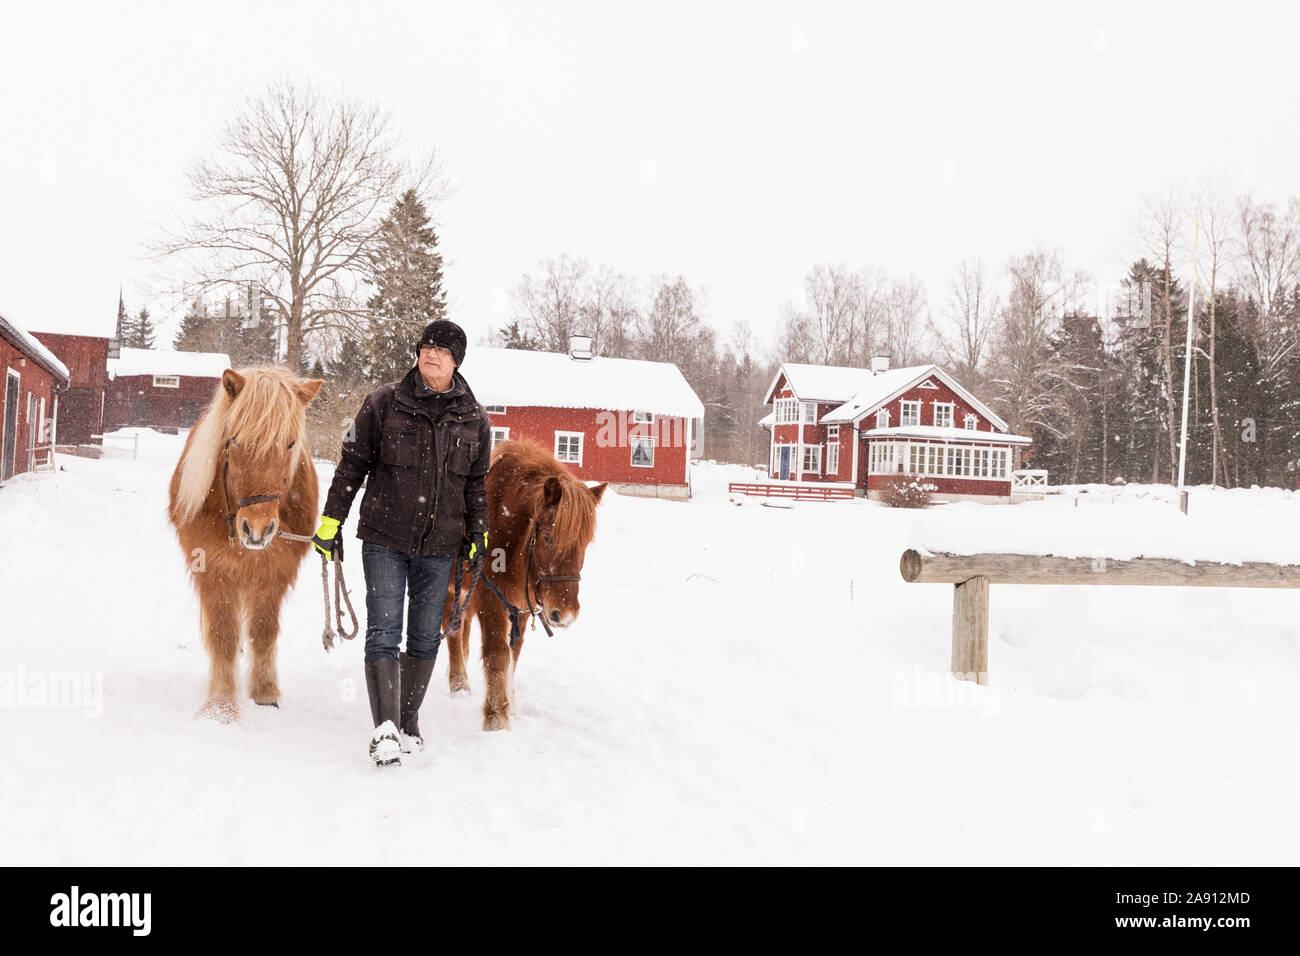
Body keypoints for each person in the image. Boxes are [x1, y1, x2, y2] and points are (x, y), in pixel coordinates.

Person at [313, 320, 491, 767]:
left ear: (456, 362)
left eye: (441, 350)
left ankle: (408, 722)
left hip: (440, 545)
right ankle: (385, 730)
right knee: (384, 630)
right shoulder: (383, 403)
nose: (430, 353)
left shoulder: (475, 419)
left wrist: (478, 532)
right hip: (384, 538)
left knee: (424, 637)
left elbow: (476, 485)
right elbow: (351, 466)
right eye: (426, 346)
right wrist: (332, 519)